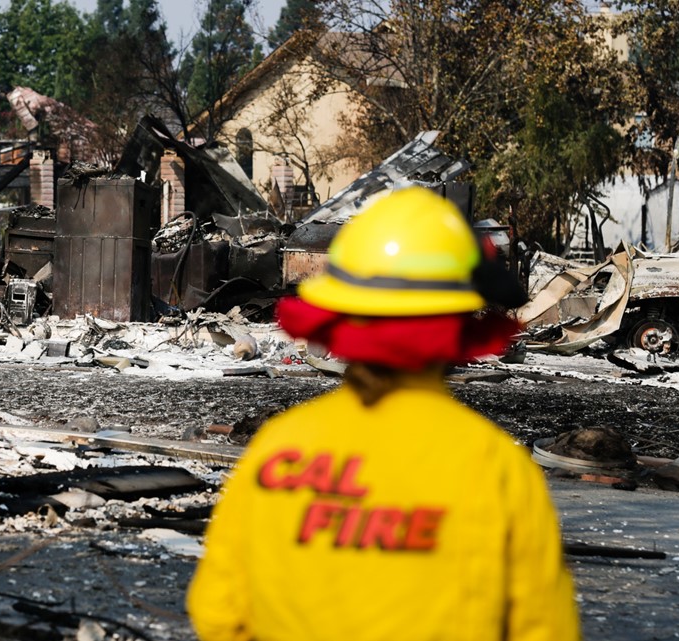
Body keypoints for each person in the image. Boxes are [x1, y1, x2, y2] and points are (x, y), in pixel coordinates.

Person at [186, 187, 579, 641]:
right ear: (459, 323)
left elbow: (216, 611)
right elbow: (545, 630)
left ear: (341, 314)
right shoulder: (496, 470)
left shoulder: (277, 450)